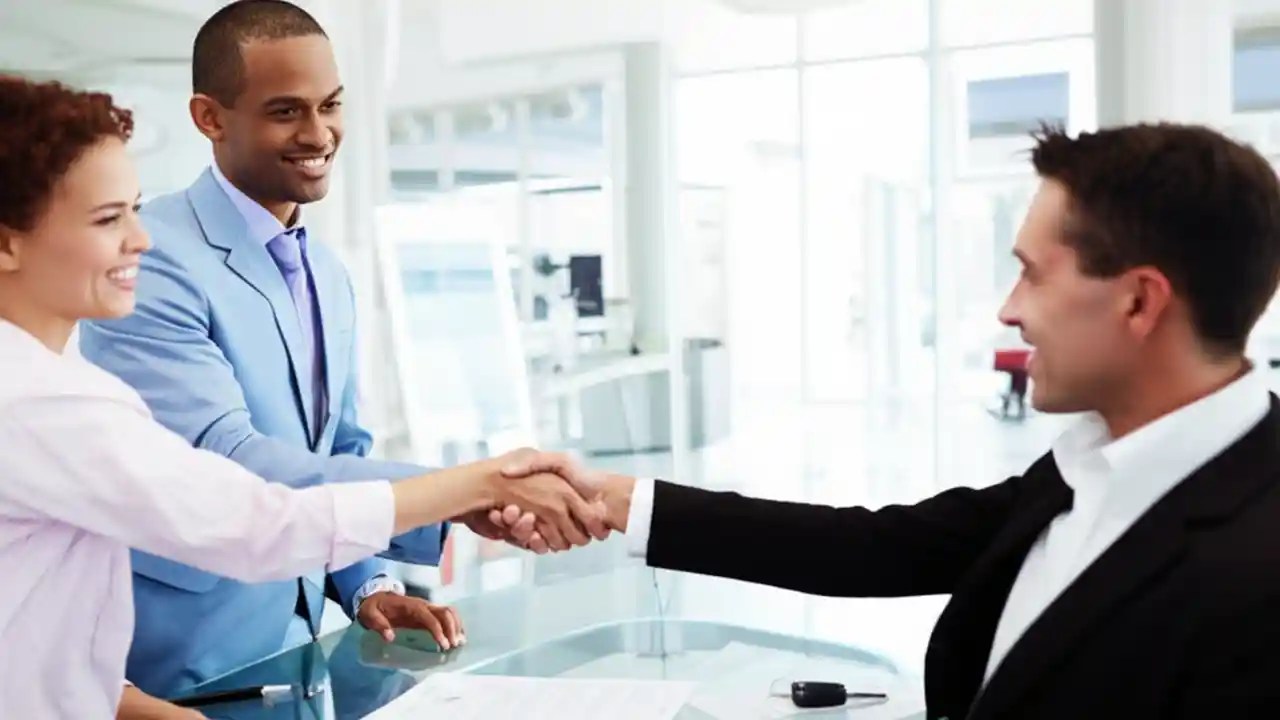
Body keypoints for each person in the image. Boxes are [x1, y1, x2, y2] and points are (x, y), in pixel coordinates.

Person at [503, 124, 1280, 719]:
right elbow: (878, 546)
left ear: (1139, 301)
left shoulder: (1254, 572)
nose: (1010, 310)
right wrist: (615, 501)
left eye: (1032, 274)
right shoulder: (1091, 466)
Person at [0, 75, 601, 719]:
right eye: (108, 218)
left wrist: (132, 707)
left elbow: (33, 623)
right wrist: (483, 484)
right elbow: (254, 517)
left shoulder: (47, 386)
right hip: (198, 654)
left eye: (135, 209)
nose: (140, 239)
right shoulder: (47, 403)